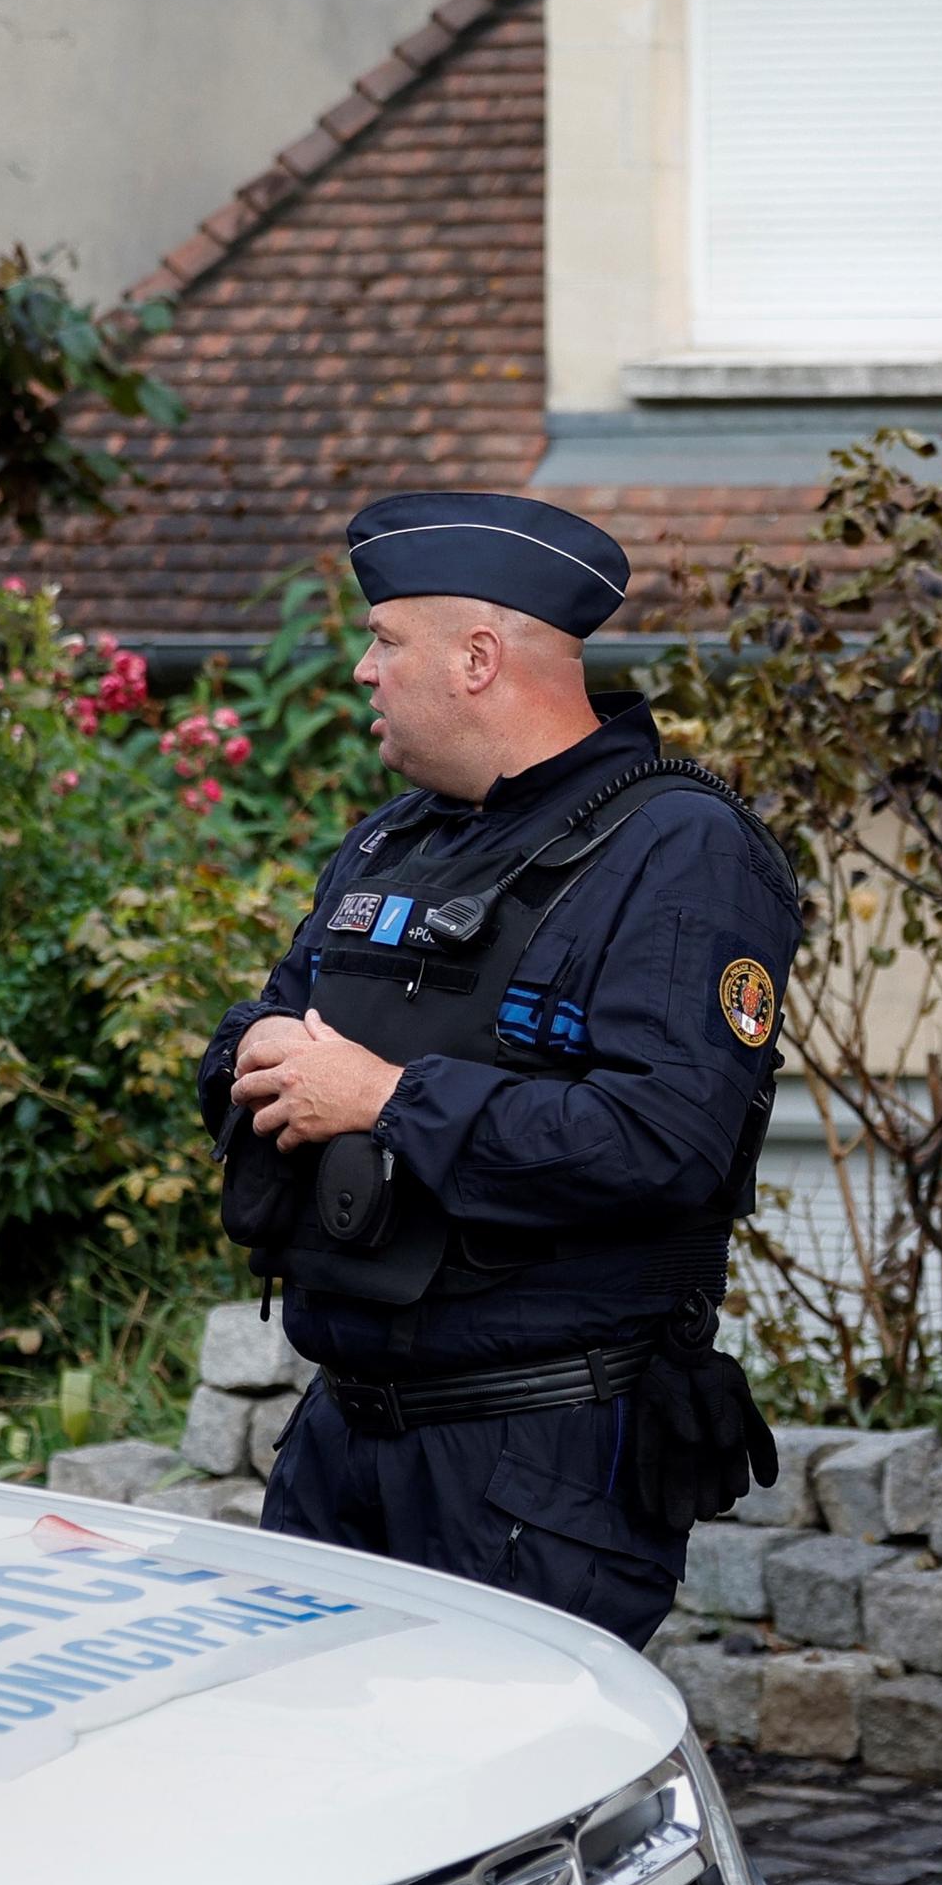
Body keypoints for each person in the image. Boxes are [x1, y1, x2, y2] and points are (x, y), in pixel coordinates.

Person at [206, 490, 794, 1640]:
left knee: (493, 1809)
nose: (364, 670)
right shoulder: (397, 837)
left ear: (477, 658)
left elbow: (665, 1139)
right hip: (340, 1446)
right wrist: (255, 1051)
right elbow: (262, 1031)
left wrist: (385, 1100)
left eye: (384, 640)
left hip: (532, 1471)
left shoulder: (676, 849)